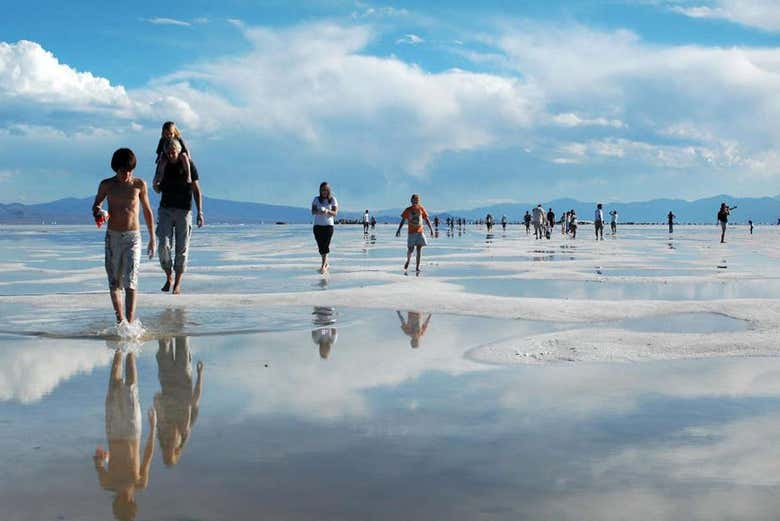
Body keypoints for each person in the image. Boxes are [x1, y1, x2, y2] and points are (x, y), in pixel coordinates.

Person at [92, 148, 155, 324]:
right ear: (115, 169)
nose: (126, 174)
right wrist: (99, 212)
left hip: (133, 237)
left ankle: (130, 320)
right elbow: (96, 205)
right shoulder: (107, 185)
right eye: (122, 171)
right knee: (114, 281)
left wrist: (152, 238)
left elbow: (147, 211)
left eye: (129, 170)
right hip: (113, 237)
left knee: (131, 280)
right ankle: (121, 321)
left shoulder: (139, 185)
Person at [94, 349, 156, 521]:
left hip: (122, 431)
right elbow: (147, 455)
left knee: (124, 384)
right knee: (126, 385)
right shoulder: (110, 483)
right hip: (122, 431)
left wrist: (102, 459)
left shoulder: (130, 483)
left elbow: (98, 461)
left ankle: (127, 342)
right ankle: (125, 343)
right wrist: (153, 428)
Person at [157, 138, 204, 294]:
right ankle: (169, 275)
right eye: (168, 152)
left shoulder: (188, 165)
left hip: (184, 210)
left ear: (179, 151)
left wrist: (200, 212)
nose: (171, 155)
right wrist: (155, 185)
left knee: (182, 248)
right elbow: (157, 188)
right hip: (165, 209)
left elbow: (196, 190)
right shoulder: (163, 165)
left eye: (173, 152)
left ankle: (177, 283)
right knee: (163, 244)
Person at [154, 336, 204, 467]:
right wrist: (200, 375)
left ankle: (165, 318)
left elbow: (157, 397)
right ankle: (179, 316)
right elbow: (195, 399)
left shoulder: (161, 428)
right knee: (182, 338)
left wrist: (160, 412)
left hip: (166, 378)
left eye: (167, 442)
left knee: (163, 340)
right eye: (172, 441)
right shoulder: (186, 427)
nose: (169, 438)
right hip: (183, 375)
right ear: (178, 444)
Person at [396, 194, 435, 274]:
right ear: (411, 200)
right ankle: (408, 260)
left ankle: (417, 267)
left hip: (420, 231)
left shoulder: (421, 208)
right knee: (410, 249)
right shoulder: (408, 210)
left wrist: (431, 230)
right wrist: (398, 230)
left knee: (419, 249)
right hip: (411, 232)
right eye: (414, 200)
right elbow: (403, 220)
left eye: (417, 200)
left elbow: (426, 219)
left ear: (418, 201)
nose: (415, 201)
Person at [153, 121, 192, 189]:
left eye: (171, 134)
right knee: (162, 163)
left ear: (174, 132)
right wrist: (158, 158)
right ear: (163, 133)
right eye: (166, 134)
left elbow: (186, 149)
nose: (168, 136)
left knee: (184, 157)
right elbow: (159, 151)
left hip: (178, 154)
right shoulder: (162, 140)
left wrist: (189, 158)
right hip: (167, 155)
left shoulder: (178, 139)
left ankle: (188, 175)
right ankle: (159, 179)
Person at [311, 182, 338, 274]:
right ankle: (326, 263)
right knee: (320, 246)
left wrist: (327, 211)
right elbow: (313, 211)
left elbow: (335, 213)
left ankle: (323, 265)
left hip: (328, 226)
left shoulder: (333, 200)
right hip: (317, 226)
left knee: (325, 245)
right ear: (320, 190)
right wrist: (319, 211)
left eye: (326, 190)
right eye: (323, 190)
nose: (324, 192)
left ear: (329, 190)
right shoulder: (316, 199)